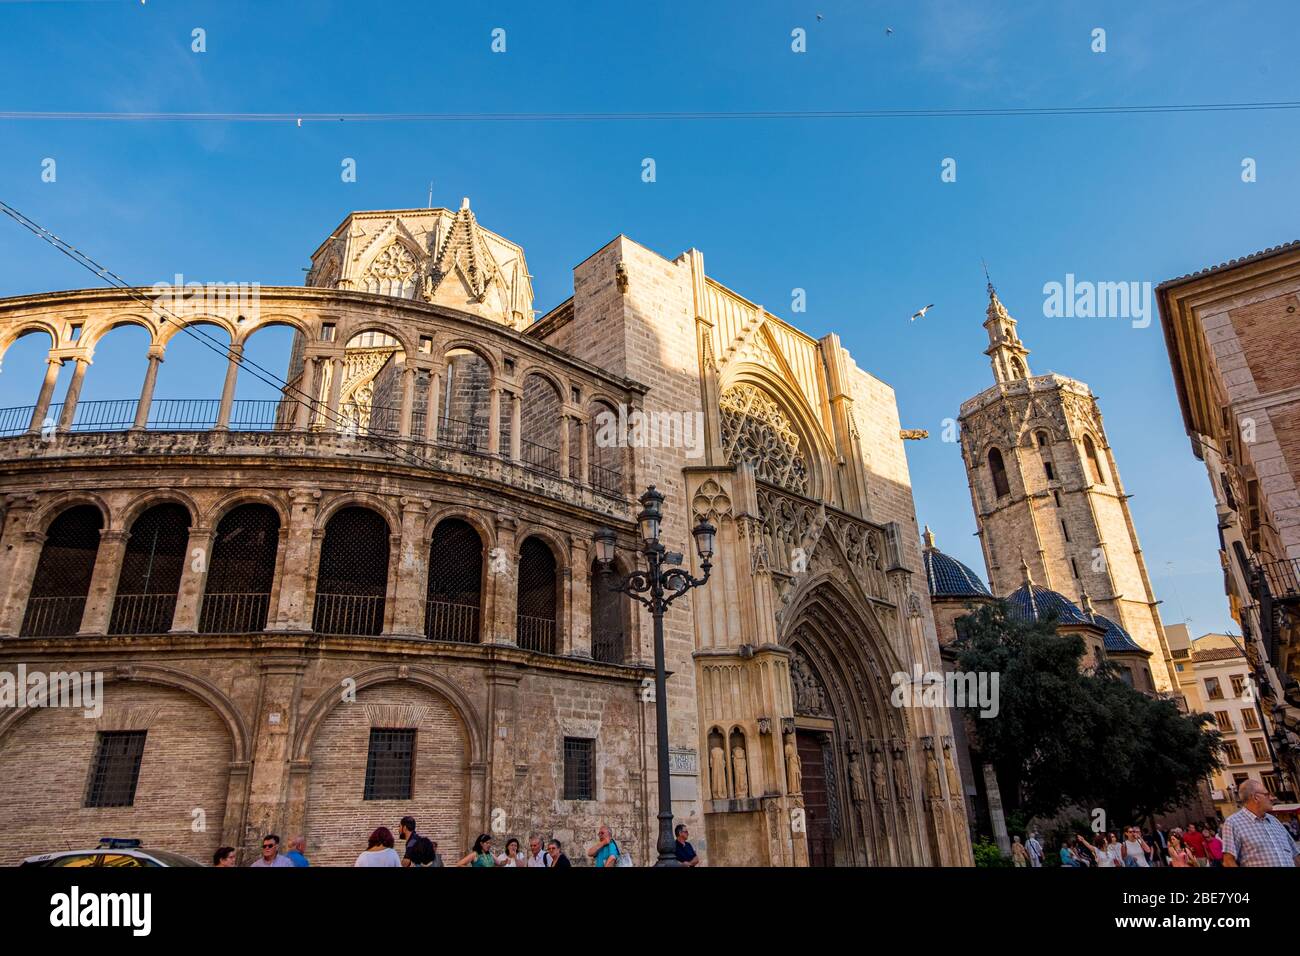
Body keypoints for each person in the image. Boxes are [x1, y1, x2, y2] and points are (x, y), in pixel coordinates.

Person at [1222, 779, 1300, 867]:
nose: (1272, 798)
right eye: (1267, 794)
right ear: (1256, 797)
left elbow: (1295, 854)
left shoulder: (1274, 821)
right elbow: (1228, 862)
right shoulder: (1233, 823)